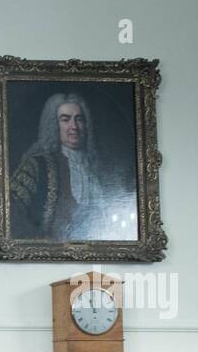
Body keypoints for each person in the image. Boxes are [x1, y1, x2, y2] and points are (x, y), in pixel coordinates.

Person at [9, 91, 133, 241]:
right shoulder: (36, 165)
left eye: (79, 119)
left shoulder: (97, 169)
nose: (74, 126)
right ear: (54, 125)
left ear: (86, 124)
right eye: (65, 119)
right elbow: (11, 211)